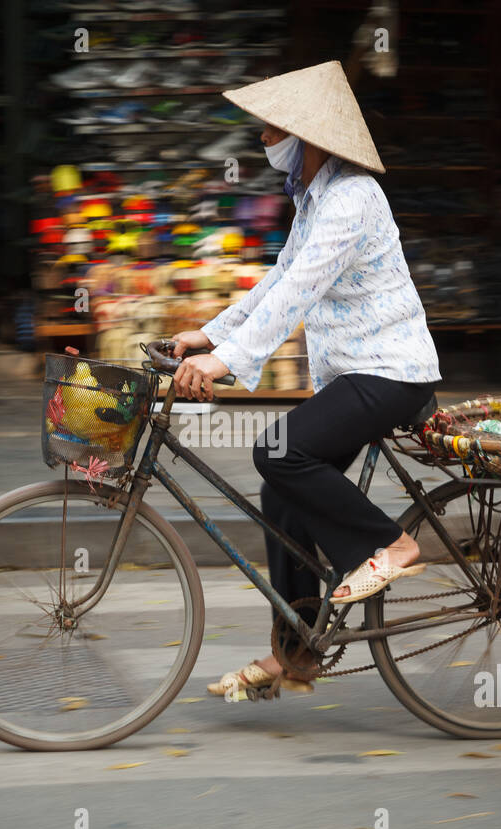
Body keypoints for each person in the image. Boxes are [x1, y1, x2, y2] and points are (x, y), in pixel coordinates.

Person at [167, 61, 443, 698]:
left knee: (277, 450)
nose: (263, 138)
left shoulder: (352, 199)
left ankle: (392, 544)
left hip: (390, 373)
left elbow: (299, 292)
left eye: (272, 128)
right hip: (353, 373)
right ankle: (298, 653)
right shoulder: (315, 197)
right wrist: (210, 334)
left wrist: (227, 362)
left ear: (310, 136)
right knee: (281, 494)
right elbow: (277, 279)